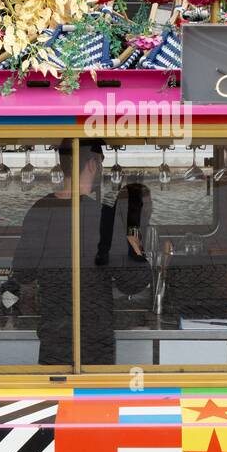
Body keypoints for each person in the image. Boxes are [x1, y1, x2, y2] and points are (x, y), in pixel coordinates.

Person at [13, 142, 149, 366]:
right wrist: (135, 246)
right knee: (96, 399)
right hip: (94, 339)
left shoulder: (39, 210)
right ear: (93, 164)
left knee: (57, 398)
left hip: (54, 335)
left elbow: (23, 273)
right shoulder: (103, 217)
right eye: (101, 162)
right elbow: (132, 282)